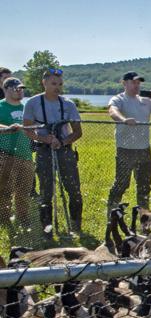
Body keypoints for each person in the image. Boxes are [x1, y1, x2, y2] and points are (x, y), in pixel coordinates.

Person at [22, 68, 84, 237]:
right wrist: (45, 139)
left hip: (65, 151)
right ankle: (47, 228)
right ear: (44, 83)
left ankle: (76, 225)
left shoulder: (69, 104)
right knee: (46, 191)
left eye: (60, 84)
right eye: (53, 83)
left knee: (74, 189)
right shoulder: (32, 103)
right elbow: (27, 129)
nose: (57, 87)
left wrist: (62, 142)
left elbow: (78, 132)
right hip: (44, 152)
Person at [106, 71, 151, 210]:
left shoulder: (145, 100)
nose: (137, 85)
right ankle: (112, 212)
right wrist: (124, 120)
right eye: (133, 82)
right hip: (125, 149)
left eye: (138, 83)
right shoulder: (119, 99)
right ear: (124, 83)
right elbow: (112, 111)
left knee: (144, 185)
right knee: (121, 184)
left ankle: (144, 215)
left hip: (144, 150)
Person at [0, 77, 35, 229]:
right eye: (16, 88)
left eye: (21, 89)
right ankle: (4, 220)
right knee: (5, 191)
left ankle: (23, 219)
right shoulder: (1, 106)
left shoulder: (26, 108)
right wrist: (8, 128)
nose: (20, 91)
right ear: (5, 89)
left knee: (24, 191)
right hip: (6, 155)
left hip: (26, 155)